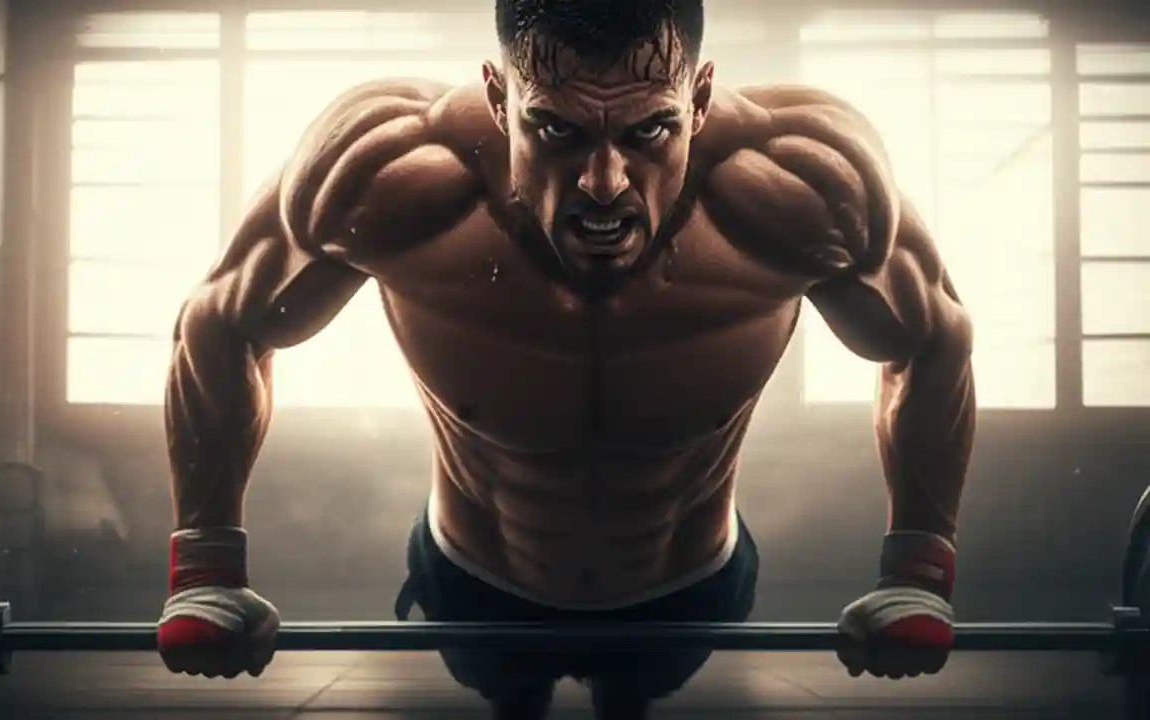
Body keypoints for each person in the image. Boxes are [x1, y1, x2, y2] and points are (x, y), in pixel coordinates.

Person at [154, 1, 976, 718]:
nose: (606, 182)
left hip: (686, 584)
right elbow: (222, 321)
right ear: (497, 97)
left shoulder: (799, 183)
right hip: (475, 578)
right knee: (511, 699)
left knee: (631, 701)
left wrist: (918, 571)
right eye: (557, 130)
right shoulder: (393, 172)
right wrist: (207, 566)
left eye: (651, 129)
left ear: (698, 99)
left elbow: (933, 335)